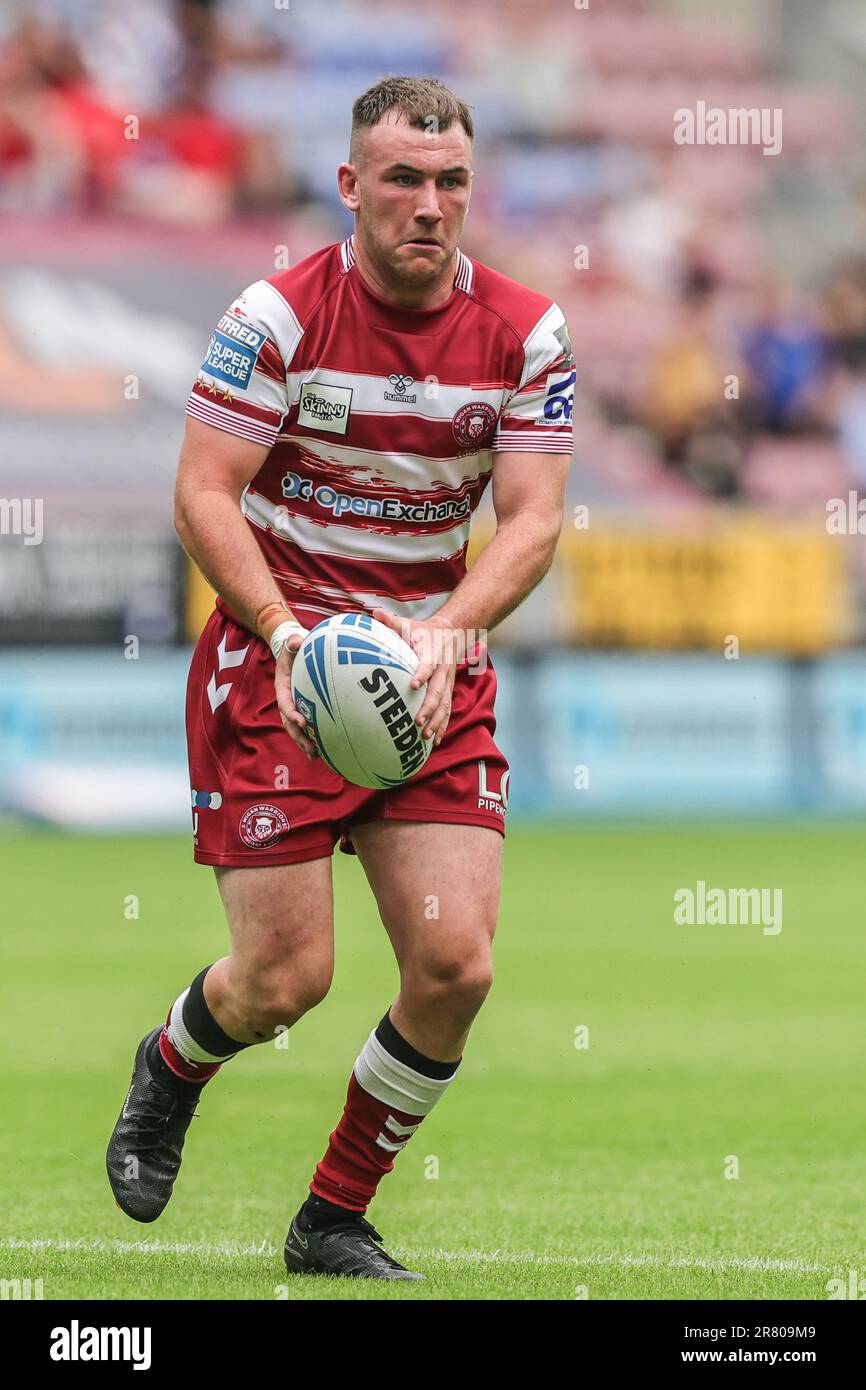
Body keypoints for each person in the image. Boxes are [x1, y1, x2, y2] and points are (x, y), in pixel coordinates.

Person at [106, 75, 573, 1281]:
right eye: (405, 179)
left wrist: (446, 634)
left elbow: (529, 522)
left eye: (451, 182)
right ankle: (172, 1063)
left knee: (455, 965)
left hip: (432, 659)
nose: (429, 204)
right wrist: (281, 630)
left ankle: (331, 1217)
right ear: (351, 185)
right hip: (281, 662)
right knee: (282, 982)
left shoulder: (526, 335)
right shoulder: (274, 318)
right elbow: (202, 491)